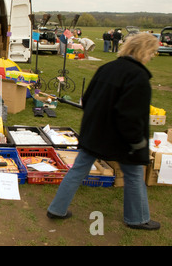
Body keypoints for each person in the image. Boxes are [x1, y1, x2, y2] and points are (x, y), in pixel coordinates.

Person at [47, 32, 160, 230]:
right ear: (144, 51)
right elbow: (130, 116)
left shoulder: (107, 67)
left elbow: (86, 99)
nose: (152, 57)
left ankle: (57, 208)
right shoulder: (138, 76)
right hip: (121, 139)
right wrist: (137, 143)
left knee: (78, 170)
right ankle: (138, 219)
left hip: (94, 133)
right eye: (152, 52)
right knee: (134, 175)